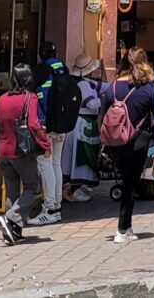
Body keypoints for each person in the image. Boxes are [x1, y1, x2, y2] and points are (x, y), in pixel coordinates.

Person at [0, 64, 52, 245]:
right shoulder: (30, 98)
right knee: (33, 187)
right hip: (21, 151)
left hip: (3, 152)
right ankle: (11, 218)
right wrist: (46, 144)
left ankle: (13, 232)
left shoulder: (3, 99)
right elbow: (34, 124)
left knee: (12, 191)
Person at [98, 47, 154, 244]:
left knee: (126, 180)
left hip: (114, 142)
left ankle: (126, 226)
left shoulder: (112, 87)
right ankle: (123, 229)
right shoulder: (148, 87)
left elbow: (102, 114)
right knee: (129, 184)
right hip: (137, 141)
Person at [32, 46, 83, 225]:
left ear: (41, 57)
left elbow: (31, 93)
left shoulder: (41, 70)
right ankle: (57, 206)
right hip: (62, 124)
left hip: (45, 123)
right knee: (56, 163)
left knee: (45, 164)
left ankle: (50, 208)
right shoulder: (64, 70)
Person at [65, 57, 105, 203]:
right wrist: (105, 100)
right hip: (82, 125)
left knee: (81, 156)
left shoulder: (88, 83)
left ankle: (78, 186)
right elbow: (92, 105)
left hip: (82, 124)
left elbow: (104, 87)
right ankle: (76, 188)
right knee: (81, 156)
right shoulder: (84, 86)